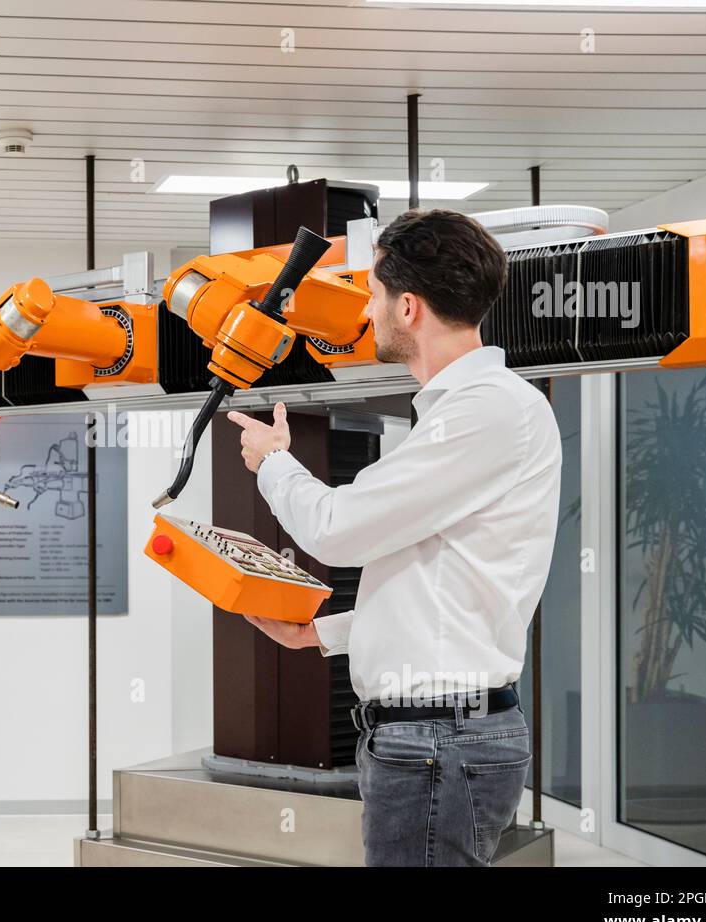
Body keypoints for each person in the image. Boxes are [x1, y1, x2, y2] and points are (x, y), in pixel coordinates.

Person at [228, 208, 561, 867]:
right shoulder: (471, 411)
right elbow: (443, 581)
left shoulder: (486, 410)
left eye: (374, 293)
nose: (367, 311)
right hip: (432, 735)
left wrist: (271, 460)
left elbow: (337, 531)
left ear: (408, 307)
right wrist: (322, 633)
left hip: (440, 738)